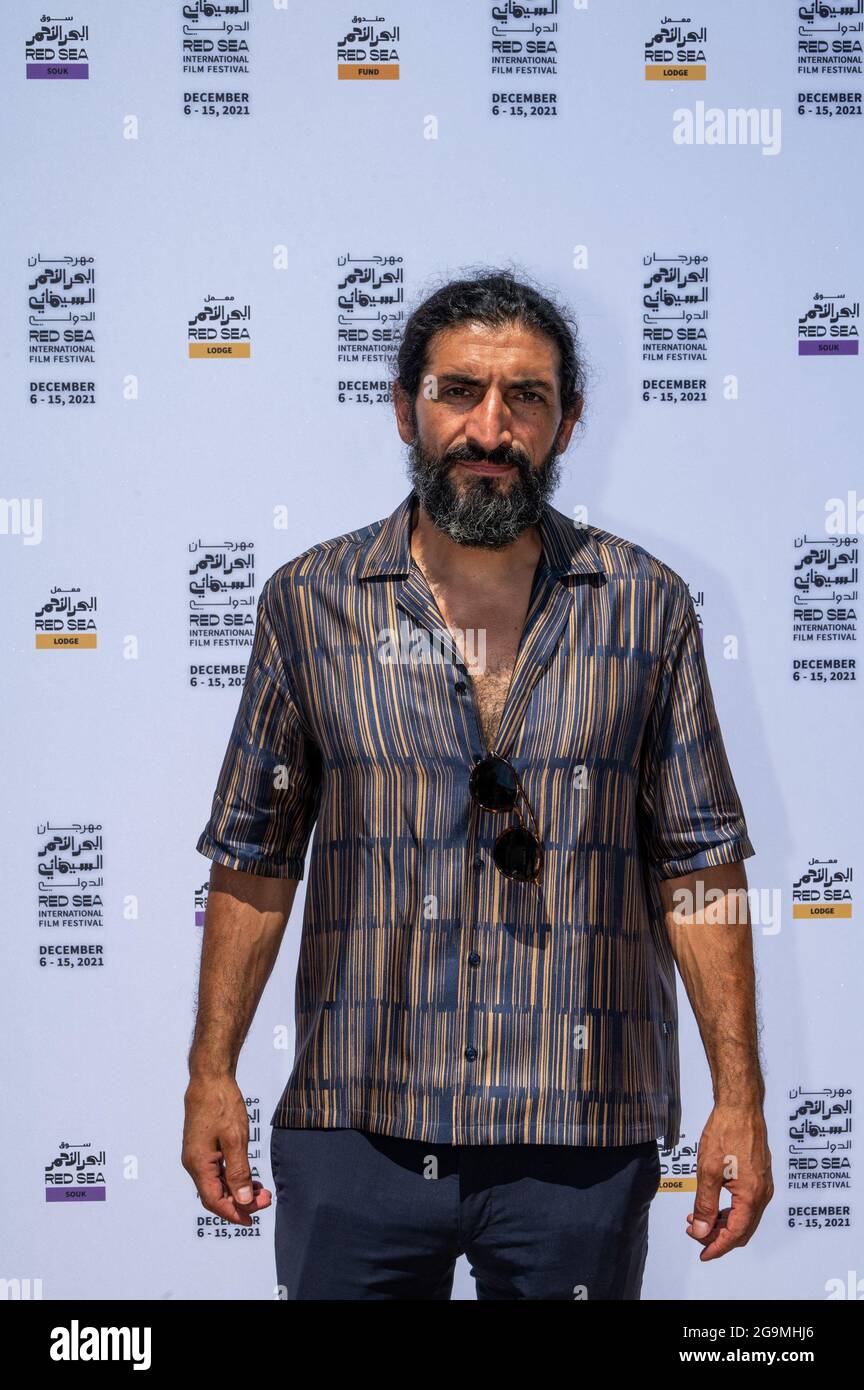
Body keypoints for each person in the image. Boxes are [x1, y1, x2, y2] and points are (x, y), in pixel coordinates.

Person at [182, 269, 773, 1300]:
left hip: (578, 1137)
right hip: (354, 1125)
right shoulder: (309, 604)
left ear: (569, 421)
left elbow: (700, 866)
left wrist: (740, 1098)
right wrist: (211, 1072)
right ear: (407, 405)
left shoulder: (647, 609)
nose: (490, 428)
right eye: (460, 391)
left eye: (526, 399)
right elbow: (254, 857)